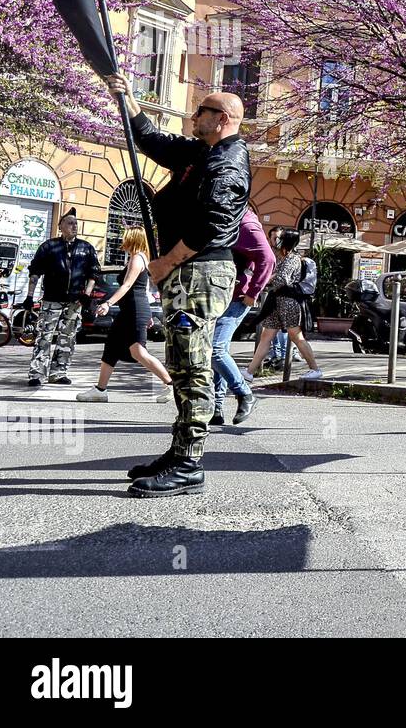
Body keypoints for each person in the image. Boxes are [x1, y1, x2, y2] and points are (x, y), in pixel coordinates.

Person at [104, 75, 251, 499]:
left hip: (200, 272)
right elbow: (150, 140)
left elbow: (214, 224)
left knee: (192, 364)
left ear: (221, 119)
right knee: (183, 360)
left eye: (201, 110)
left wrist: (165, 263)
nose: (192, 115)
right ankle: (179, 451)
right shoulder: (200, 152)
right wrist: (126, 95)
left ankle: (189, 464)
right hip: (188, 273)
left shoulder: (227, 161)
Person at [76, 226, 172, 404]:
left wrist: (108, 303)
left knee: (138, 352)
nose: (122, 240)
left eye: (126, 237)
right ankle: (100, 390)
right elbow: (143, 288)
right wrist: (148, 313)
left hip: (134, 311)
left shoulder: (137, 258)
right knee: (111, 348)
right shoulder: (137, 258)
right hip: (130, 311)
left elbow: (127, 286)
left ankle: (171, 385)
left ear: (133, 238)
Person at [210, 209, 276, 426]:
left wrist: (253, 293)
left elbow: (268, 259)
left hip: (238, 298)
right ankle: (217, 408)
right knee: (217, 352)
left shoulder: (246, 224)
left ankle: (245, 393)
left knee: (215, 350)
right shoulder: (227, 221)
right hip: (222, 296)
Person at [24, 209, 101, 389]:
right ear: (61, 226)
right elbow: (35, 272)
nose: (74, 226)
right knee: (44, 336)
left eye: (76, 223)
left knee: (68, 337)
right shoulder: (49, 247)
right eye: (70, 223)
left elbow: (93, 273)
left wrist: (87, 294)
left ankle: (59, 373)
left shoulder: (86, 248)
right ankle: (37, 373)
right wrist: (29, 296)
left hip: (75, 301)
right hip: (52, 299)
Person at [244, 230, 323, 382]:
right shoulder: (282, 257)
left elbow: (282, 280)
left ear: (285, 242)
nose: (276, 241)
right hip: (277, 302)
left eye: (279, 239)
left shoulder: (292, 259)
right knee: (266, 336)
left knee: (297, 337)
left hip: (288, 303)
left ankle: (315, 369)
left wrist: (264, 280)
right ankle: (249, 372)